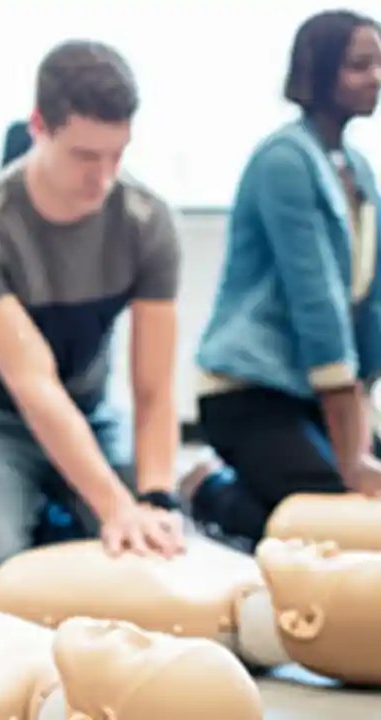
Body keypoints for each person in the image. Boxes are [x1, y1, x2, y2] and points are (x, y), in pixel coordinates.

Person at [0, 39, 189, 607]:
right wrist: (113, 505)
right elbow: (33, 383)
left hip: (91, 418)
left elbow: (153, 387)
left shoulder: (149, 221)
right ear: (39, 127)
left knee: (161, 554)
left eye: (117, 155)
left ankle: (47, 513)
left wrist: (155, 498)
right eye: (84, 156)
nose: (103, 178)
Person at [185, 10, 381, 548]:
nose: (378, 77)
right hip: (248, 392)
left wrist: (364, 425)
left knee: (365, 505)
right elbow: (316, 303)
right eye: (360, 65)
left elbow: (370, 304)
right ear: (317, 72)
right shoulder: (284, 161)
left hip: (313, 396)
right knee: (336, 522)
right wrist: (353, 460)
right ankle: (208, 490)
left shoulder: (358, 170)